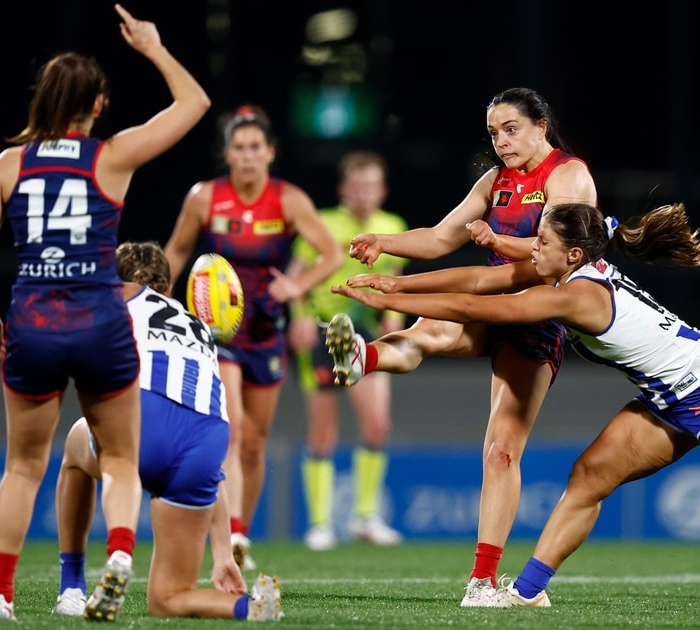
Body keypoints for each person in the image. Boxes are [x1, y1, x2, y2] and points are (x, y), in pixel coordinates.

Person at [331, 202, 700, 610]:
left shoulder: (576, 297)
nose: (530, 250)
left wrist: (392, 294)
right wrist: (395, 285)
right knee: (589, 477)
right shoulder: (576, 270)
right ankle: (526, 592)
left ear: (571, 255)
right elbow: (479, 285)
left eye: (541, 243)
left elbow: (479, 307)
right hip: (669, 394)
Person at [0, 4, 210, 622]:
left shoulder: (9, 165)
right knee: (120, 458)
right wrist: (152, 47)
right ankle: (119, 552)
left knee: (23, 468)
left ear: (42, 99)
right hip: (100, 323)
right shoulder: (111, 156)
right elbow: (194, 103)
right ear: (98, 104)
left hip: (34, 323)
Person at [330, 87, 598, 604]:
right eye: (494, 133)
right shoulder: (495, 181)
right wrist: (385, 244)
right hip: (490, 297)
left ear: (541, 127)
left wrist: (498, 242)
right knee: (429, 329)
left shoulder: (569, 175)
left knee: (501, 451)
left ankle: (481, 580)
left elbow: (558, 252)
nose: (502, 142)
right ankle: (363, 357)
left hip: (538, 313)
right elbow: (439, 237)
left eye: (511, 129)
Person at [52, 241, 281, 621]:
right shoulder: (200, 328)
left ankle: (75, 585)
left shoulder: (119, 295)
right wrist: (223, 553)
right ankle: (253, 606)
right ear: (170, 288)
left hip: (146, 416)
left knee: (75, 450)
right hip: (206, 441)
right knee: (168, 598)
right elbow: (215, 468)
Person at [163, 105, 343, 570]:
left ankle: (240, 530)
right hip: (218, 331)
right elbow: (176, 253)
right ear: (226, 153)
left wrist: (297, 287)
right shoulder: (205, 197)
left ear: (270, 152)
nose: (246, 156)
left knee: (254, 443)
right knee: (233, 428)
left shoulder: (288, 200)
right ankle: (230, 537)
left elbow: (331, 255)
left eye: (254, 148)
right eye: (239, 148)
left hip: (266, 330)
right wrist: (153, 303)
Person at [287, 151, 407, 550]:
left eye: (371, 185)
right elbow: (295, 278)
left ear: (382, 190)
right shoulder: (321, 224)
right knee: (323, 431)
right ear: (343, 189)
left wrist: (394, 316)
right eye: (357, 185)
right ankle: (320, 524)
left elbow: (394, 279)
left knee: (377, 424)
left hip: (365, 333)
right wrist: (299, 317)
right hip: (323, 330)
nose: (364, 192)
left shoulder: (392, 227)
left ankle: (365, 518)